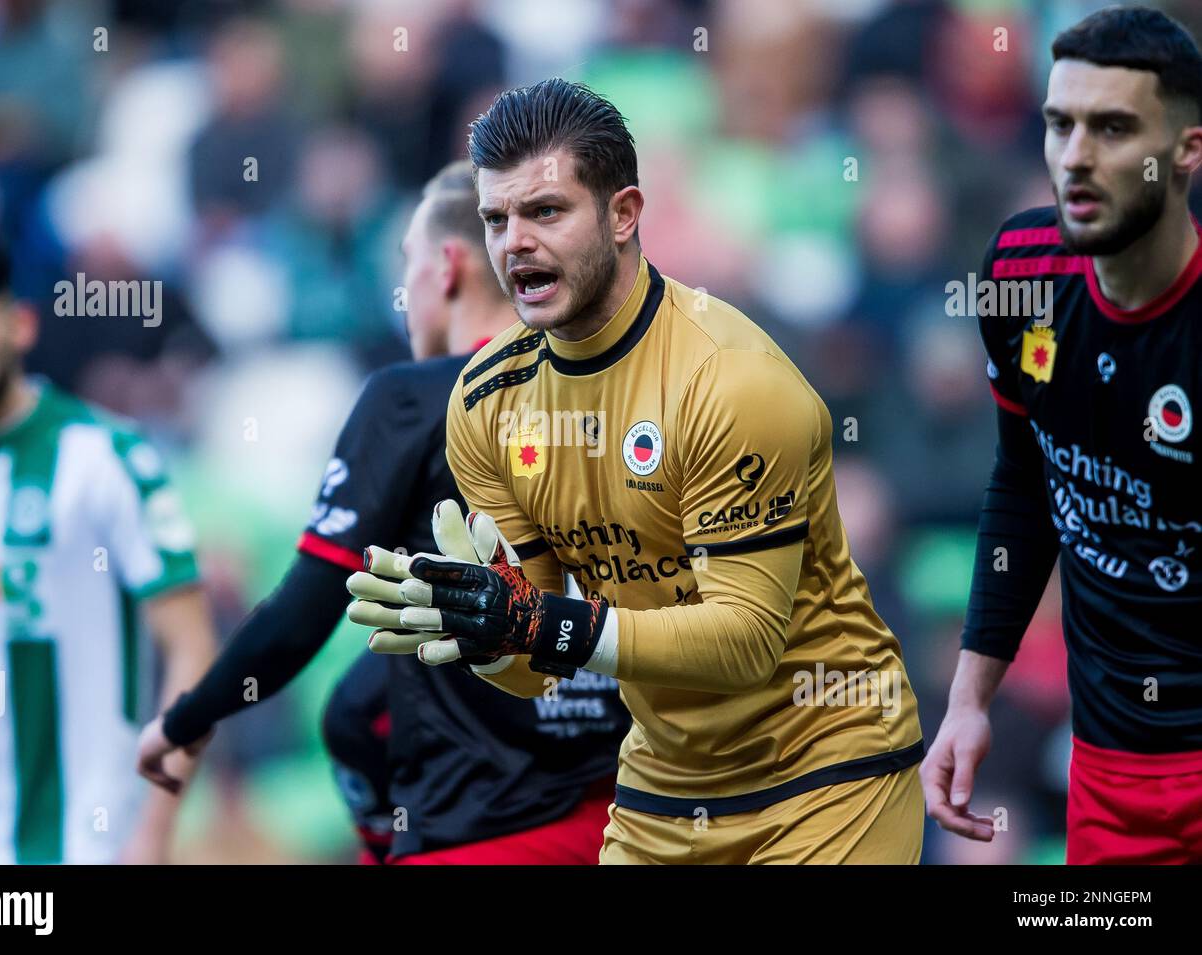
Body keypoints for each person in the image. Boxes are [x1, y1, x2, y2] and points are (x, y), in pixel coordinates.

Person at [348, 79, 924, 865]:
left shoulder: (731, 380)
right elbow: (536, 666)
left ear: (624, 214)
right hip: (665, 781)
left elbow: (746, 640)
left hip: (826, 769)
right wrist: (486, 633)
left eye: (545, 211)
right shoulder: (483, 404)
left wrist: (542, 624)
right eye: (495, 218)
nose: (513, 241)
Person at [139, 161, 629, 864]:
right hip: (627, 824)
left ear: (450, 267)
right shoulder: (627, 395)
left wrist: (186, 719)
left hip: (484, 838)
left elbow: (300, 616)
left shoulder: (412, 398)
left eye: (409, 270)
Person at [921, 6, 1202, 864]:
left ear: (1187, 150)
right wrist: (971, 698)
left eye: (1113, 128)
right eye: (1059, 123)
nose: (1075, 154)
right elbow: (1025, 483)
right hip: (1106, 776)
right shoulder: (1020, 271)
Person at [0, 235, 214, 864]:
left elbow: (193, 651)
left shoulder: (109, 457)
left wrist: (152, 833)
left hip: (82, 846)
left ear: (18, 325)